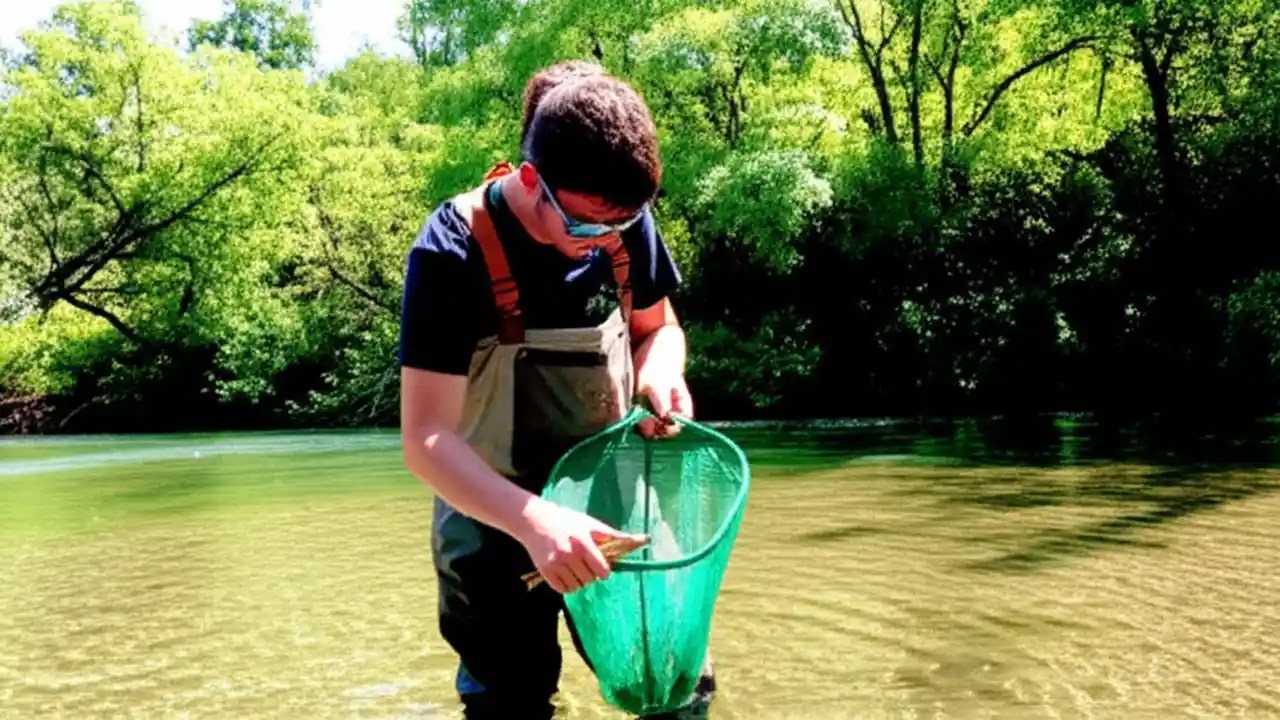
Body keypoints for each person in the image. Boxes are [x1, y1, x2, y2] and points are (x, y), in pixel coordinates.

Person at [398, 65, 715, 719]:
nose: (603, 241)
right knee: (509, 700)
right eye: (587, 227)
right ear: (531, 181)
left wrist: (661, 371)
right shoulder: (451, 251)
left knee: (675, 688)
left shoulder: (621, 221)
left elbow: (659, 328)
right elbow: (425, 440)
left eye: (623, 226)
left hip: (614, 504)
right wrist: (534, 521)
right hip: (489, 519)